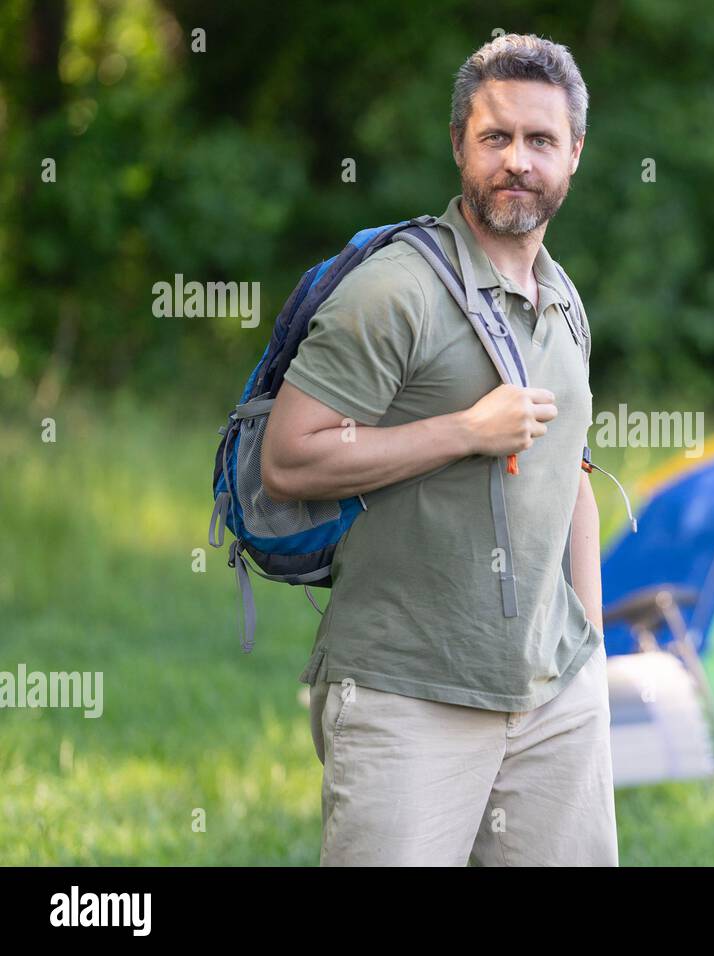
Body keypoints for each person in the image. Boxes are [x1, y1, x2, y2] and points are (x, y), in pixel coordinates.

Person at [261, 33, 617, 866]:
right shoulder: (395, 292)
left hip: (555, 695)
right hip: (405, 691)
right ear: (459, 143)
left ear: (574, 153)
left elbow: (572, 479)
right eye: (496, 137)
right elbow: (288, 459)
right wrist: (464, 432)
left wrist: (591, 655)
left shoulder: (562, 300)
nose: (517, 161)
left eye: (540, 140)